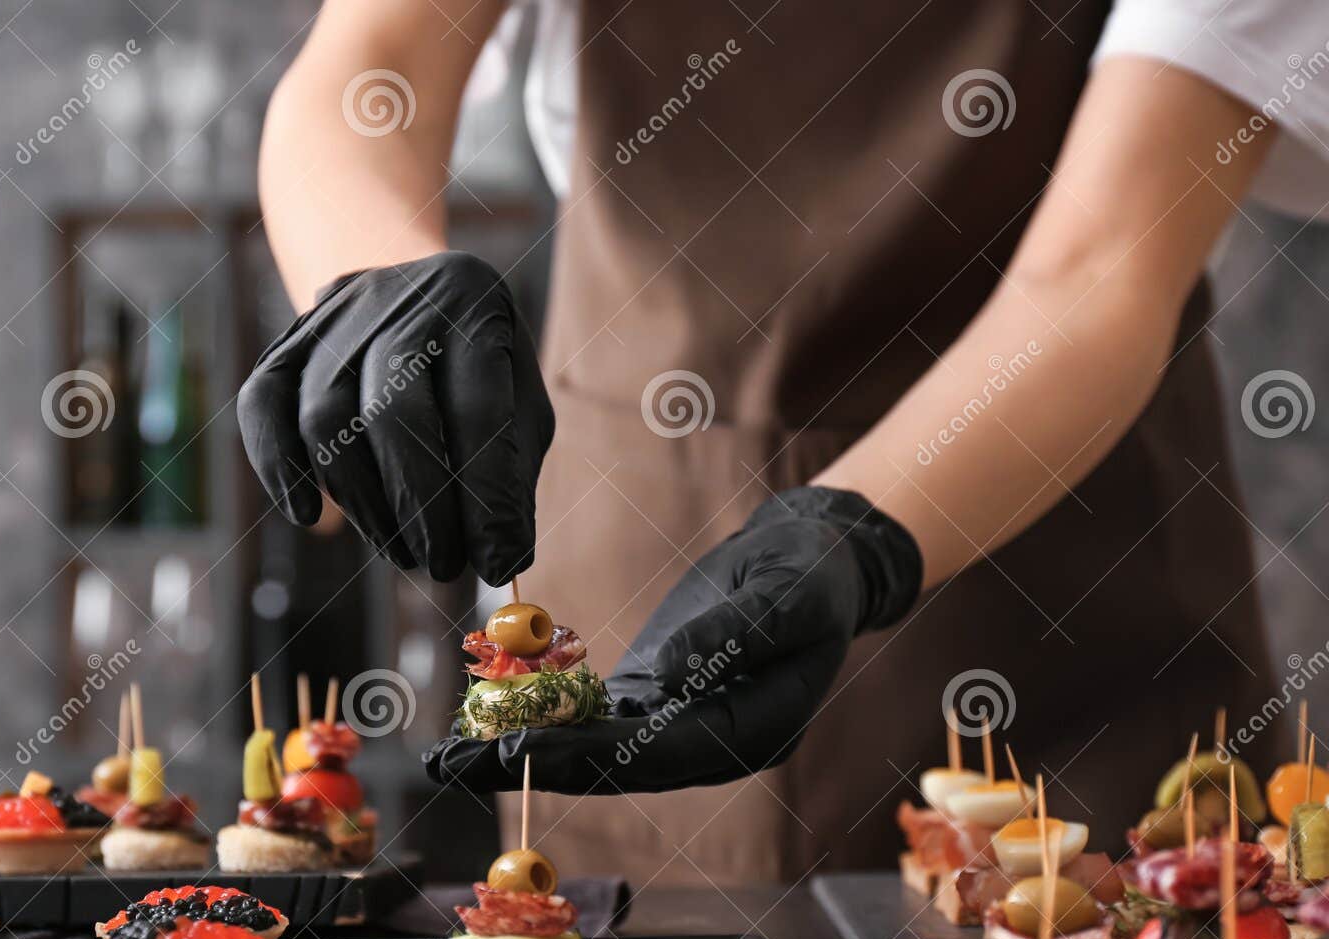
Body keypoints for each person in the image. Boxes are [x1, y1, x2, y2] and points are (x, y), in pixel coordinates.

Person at [240, 1, 1329, 884]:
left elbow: (1099, 270)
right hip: (627, 556)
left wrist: (861, 537)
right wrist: (372, 279)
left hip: (1053, 576)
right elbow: (372, 64)